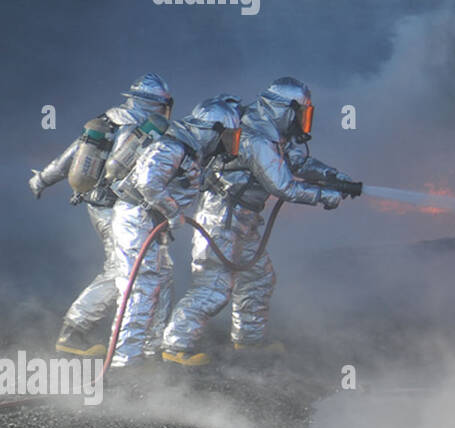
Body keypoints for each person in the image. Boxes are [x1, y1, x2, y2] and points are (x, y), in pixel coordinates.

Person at [162, 78, 356, 366]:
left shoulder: (273, 131)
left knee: (258, 278)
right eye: (299, 112)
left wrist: (334, 176)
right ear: (284, 109)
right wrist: (324, 196)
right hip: (222, 217)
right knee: (213, 286)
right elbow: (284, 187)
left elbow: (297, 163)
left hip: (245, 217)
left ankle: (249, 341)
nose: (302, 120)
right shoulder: (256, 137)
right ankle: (175, 347)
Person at [28, 74, 173, 357]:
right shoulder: (145, 130)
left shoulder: (106, 120)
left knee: (132, 268)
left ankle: (143, 340)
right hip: (120, 210)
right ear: (159, 104)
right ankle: (76, 332)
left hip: (97, 205)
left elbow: (71, 156)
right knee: (123, 272)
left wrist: (42, 180)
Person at [108, 96, 242, 369]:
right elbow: (148, 182)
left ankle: (150, 348)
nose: (228, 143)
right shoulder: (173, 145)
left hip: (149, 221)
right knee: (141, 287)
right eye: (227, 136)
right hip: (137, 218)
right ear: (212, 130)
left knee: (162, 280)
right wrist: (172, 213)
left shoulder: (189, 148)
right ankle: (125, 359)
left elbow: (190, 178)